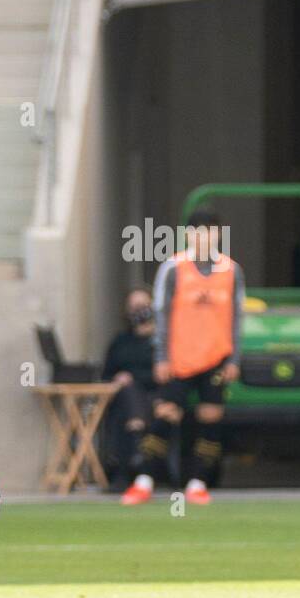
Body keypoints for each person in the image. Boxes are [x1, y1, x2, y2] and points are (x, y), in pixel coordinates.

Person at [122, 212, 245, 506]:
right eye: (198, 232)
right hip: (179, 358)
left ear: (218, 235)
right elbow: (161, 315)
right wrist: (161, 356)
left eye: (210, 232)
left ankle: (198, 482)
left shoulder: (231, 270)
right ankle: (144, 480)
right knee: (166, 415)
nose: (204, 237)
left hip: (216, 357)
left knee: (210, 420)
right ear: (188, 235)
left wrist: (234, 359)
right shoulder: (173, 268)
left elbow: (237, 318)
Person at [100, 289, 157, 488]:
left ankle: (125, 471)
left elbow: (164, 375)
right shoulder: (120, 341)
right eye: (134, 307)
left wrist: (133, 378)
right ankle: (136, 460)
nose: (139, 311)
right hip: (122, 399)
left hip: (154, 396)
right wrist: (119, 379)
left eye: (143, 305)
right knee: (125, 398)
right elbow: (106, 374)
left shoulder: (161, 342)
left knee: (129, 395)